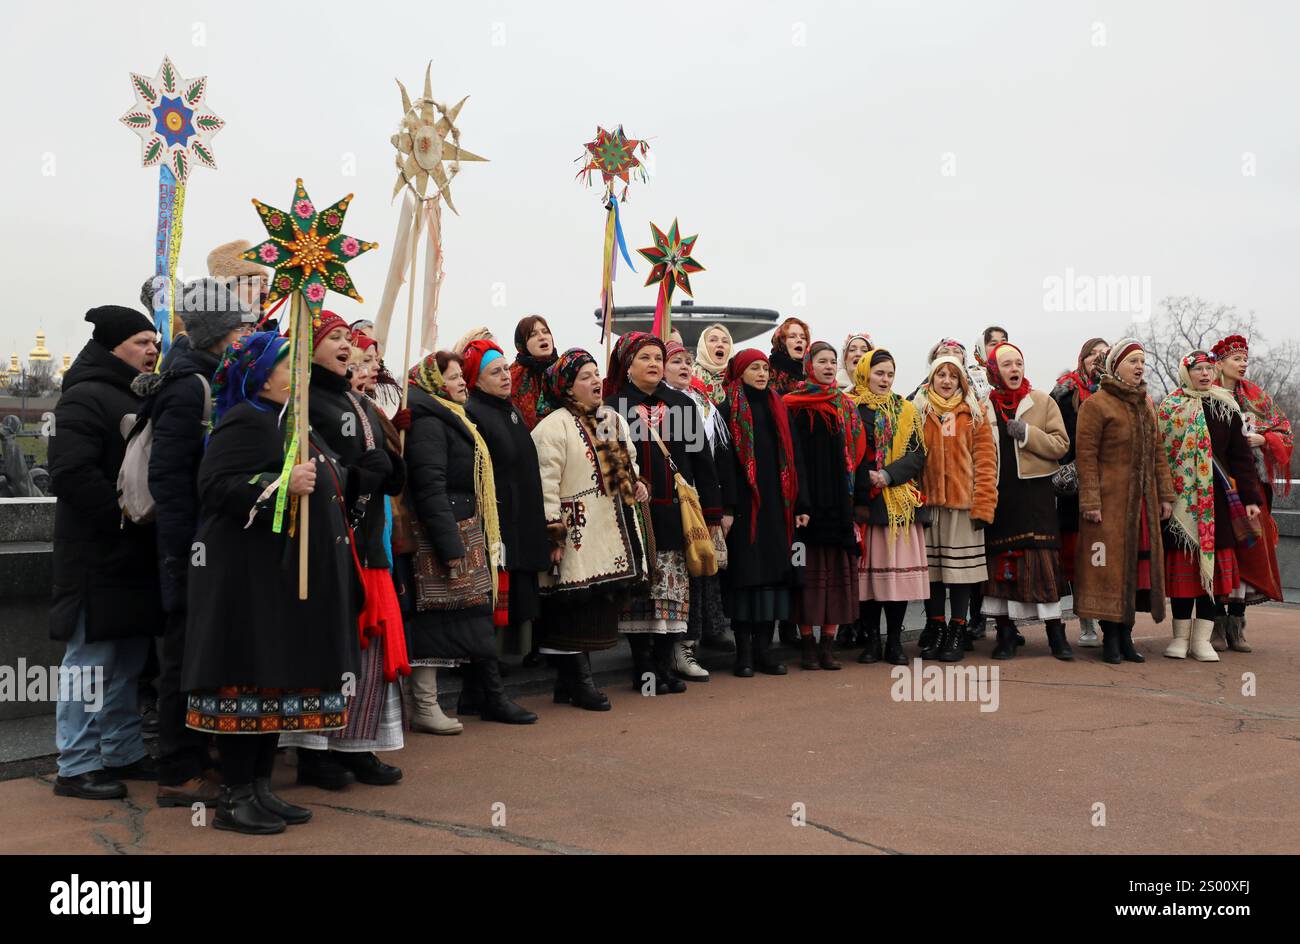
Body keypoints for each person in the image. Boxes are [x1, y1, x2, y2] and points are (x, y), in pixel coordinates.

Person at [183, 332, 357, 834]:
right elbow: (214, 488)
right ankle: (235, 798)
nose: (298, 374)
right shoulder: (244, 419)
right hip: (244, 581)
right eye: (288, 365)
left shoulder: (290, 423)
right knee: (248, 686)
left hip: (275, 580)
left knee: (271, 690)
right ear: (260, 374)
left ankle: (260, 788)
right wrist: (281, 485)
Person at [279, 313, 409, 788]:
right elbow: (310, 471)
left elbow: (379, 461)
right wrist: (358, 478)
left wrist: (391, 468)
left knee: (368, 652)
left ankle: (358, 743)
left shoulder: (357, 398)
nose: (345, 344)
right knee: (329, 646)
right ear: (307, 346)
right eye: (333, 337)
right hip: (329, 541)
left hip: (370, 540)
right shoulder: (300, 401)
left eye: (346, 338)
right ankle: (314, 751)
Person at [143, 279, 256, 809]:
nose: (246, 336)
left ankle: (201, 754)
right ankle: (177, 770)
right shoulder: (190, 386)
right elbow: (170, 479)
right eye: (239, 328)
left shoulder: (212, 378)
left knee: (200, 653)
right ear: (216, 333)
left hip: (205, 545)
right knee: (183, 656)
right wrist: (183, 553)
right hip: (189, 547)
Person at [50, 306, 164, 800]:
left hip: (137, 551)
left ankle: (122, 751)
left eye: (154, 342)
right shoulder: (81, 398)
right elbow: (70, 473)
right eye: (142, 342)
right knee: (89, 661)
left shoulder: (142, 394)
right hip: (96, 552)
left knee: (129, 658)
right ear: (114, 345)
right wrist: (121, 516)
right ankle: (75, 764)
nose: (152, 350)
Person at [399, 351, 529, 733]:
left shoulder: (452, 417)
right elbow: (429, 487)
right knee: (436, 617)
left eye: (460, 375)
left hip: (463, 527)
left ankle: (474, 697)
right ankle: (424, 705)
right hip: (441, 534)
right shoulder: (429, 422)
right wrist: (449, 545)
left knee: (459, 617)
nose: (461, 382)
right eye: (452, 377)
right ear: (434, 383)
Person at [531, 348, 651, 708]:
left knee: (596, 607)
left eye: (596, 374)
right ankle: (578, 681)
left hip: (611, 532)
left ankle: (571, 683)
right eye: (585, 376)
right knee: (572, 608)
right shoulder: (551, 428)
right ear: (567, 387)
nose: (595, 381)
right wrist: (553, 532)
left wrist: (638, 482)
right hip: (576, 533)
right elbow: (545, 485)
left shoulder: (611, 419)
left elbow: (626, 464)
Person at [605, 332, 724, 693]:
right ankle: (642, 666)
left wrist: (714, 513)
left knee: (671, 590)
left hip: (675, 514)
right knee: (640, 591)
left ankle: (661, 661)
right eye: (645, 358)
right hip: (634, 515)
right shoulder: (613, 408)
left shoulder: (682, 405)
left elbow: (701, 462)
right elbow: (607, 464)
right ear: (628, 365)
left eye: (658, 357)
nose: (655, 364)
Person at [1072, 341, 1175, 664]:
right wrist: (1090, 500)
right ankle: (1110, 638)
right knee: (1108, 569)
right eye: (1133, 360)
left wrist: (1165, 495)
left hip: (1142, 504)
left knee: (1134, 569)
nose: (1139, 366)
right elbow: (1085, 457)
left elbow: (1158, 453)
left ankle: (1127, 636)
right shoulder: (1097, 404)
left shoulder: (1146, 404)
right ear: (1116, 365)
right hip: (1108, 505)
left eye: (1142, 361)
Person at [1157, 350, 1264, 662]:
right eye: (1197, 369)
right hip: (1180, 505)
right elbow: (1160, 455)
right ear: (1185, 373)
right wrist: (1163, 494)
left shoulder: (1225, 407)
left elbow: (1242, 458)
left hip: (1215, 504)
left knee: (1210, 578)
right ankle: (1179, 639)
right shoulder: (1169, 408)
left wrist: (1251, 499)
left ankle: (1202, 639)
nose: (1204, 374)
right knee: (1183, 574)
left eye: (1208, 369)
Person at [462, 340, 550, 709]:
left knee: (512, 608)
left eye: (504, 370)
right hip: (497, 527)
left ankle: (476, 693)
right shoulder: (475, 412)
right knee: (492, 610)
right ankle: (485, 690)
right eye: (494, 371)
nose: (505, 376)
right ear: (476, 380)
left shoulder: (508, 409)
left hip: (520, 521)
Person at [716, 350, 808, 676]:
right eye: (754, 368)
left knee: (773, 580)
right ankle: (743, 655)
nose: (761, 373)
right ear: (739, 372)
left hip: (777, 509)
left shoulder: (778, 407)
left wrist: (801, 506)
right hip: (743, 510)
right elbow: (721, 462)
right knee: (745, 581)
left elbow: (795, 459)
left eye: (764, 368)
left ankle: (765, 651)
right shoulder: (726, 409)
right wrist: (727, 507)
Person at [981, 342, 1073, 660]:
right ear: (995, 370)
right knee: (1002, 567)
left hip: (1036, 498)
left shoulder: (1042, 401)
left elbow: (1061, 445)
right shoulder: (984, 406)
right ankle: (1005, 635)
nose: (1014, 369)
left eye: (1018, 363)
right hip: (1000, 497)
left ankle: (1056, 636)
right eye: (1006, 364)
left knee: (1043, 567)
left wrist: (1027, 433)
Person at [784, 341, 867, 669]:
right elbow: (789, 456)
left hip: (838, 503)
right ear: (809, 366)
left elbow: (858, 455)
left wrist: (857, 502)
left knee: (835, 578)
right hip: (804, 505)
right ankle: (806, 644)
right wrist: (798, 500)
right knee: (805, 575)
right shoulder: (792, 404)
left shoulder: (845, 405)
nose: (830, 366)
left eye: (833, 361)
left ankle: (827, 645)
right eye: (822, 361)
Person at [912, 354, 998, 662]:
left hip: (963, 507)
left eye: (952, 376)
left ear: (961, 381)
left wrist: (984, 504)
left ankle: (957, 629)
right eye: (940, 375)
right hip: (930, 506)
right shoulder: (918, 412)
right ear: (931, 379)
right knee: (933, 574)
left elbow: (987, 462)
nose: (946, 381)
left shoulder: (974, 413)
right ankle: (935, 628)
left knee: (960, 574)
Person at [849, 349, 931, 663]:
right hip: (866, 505)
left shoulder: (906, 409)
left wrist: (887, 475)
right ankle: (872, 641)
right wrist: (865, 478)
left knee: (895, 582)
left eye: (890, 374)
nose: (885, 379)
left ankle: (894, 642)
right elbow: (846, 454)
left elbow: (918, 454)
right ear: (865, 373)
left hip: (898, 504)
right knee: (870, 582)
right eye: (879, 373)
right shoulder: (850, 408)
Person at [1213, 334, 1291, 650]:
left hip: (1249, 485)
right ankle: (1215, 623)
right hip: (1216, 484)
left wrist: (1264, 440)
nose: (1243, 364)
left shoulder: (1256, 398)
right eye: (1236, 359)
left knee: (1252, 548)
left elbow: (1284, 431)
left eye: (1245, 360)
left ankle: (1237, 622)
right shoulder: (1208, 395)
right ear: (1219, 363)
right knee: (1221, 551)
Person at [662, 339, 732, 675]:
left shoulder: (700, 405)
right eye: (676, 361)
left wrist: (717, 509)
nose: (684, 367)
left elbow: (708, 462)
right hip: (664, 502)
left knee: (697, 573)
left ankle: (689, 647)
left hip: (695, 503)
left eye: (687, 361)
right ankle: (667, 651)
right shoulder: (658, 405)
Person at [1051, 337, 1109, 647]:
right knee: (1078, 556)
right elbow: (1055, 436)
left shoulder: (1118, 392)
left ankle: (1108, 618)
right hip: (1074, 488)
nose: (1099, 360)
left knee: (1105, 555)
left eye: (1105, 355)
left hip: (1110, 486)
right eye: (1094, 355)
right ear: (1082, 359)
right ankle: (1085, 620)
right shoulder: (1064, 393)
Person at [509, 315, 558, 430]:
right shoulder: (512, 376)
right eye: (533, 335)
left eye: (545, 332)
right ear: (522, 344)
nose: (542, 337)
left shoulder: (563, 369)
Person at [692, 323, 734, 405]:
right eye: (713, 340)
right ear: (703, 346)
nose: (720, 344)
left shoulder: (736, 379)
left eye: (725, 341)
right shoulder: (687, 378)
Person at [768, 317, 810, 396]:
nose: (799, 340)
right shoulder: (766, 371)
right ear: (781, 342)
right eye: (792, 336)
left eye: (803, 338)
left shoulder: (811, 375)